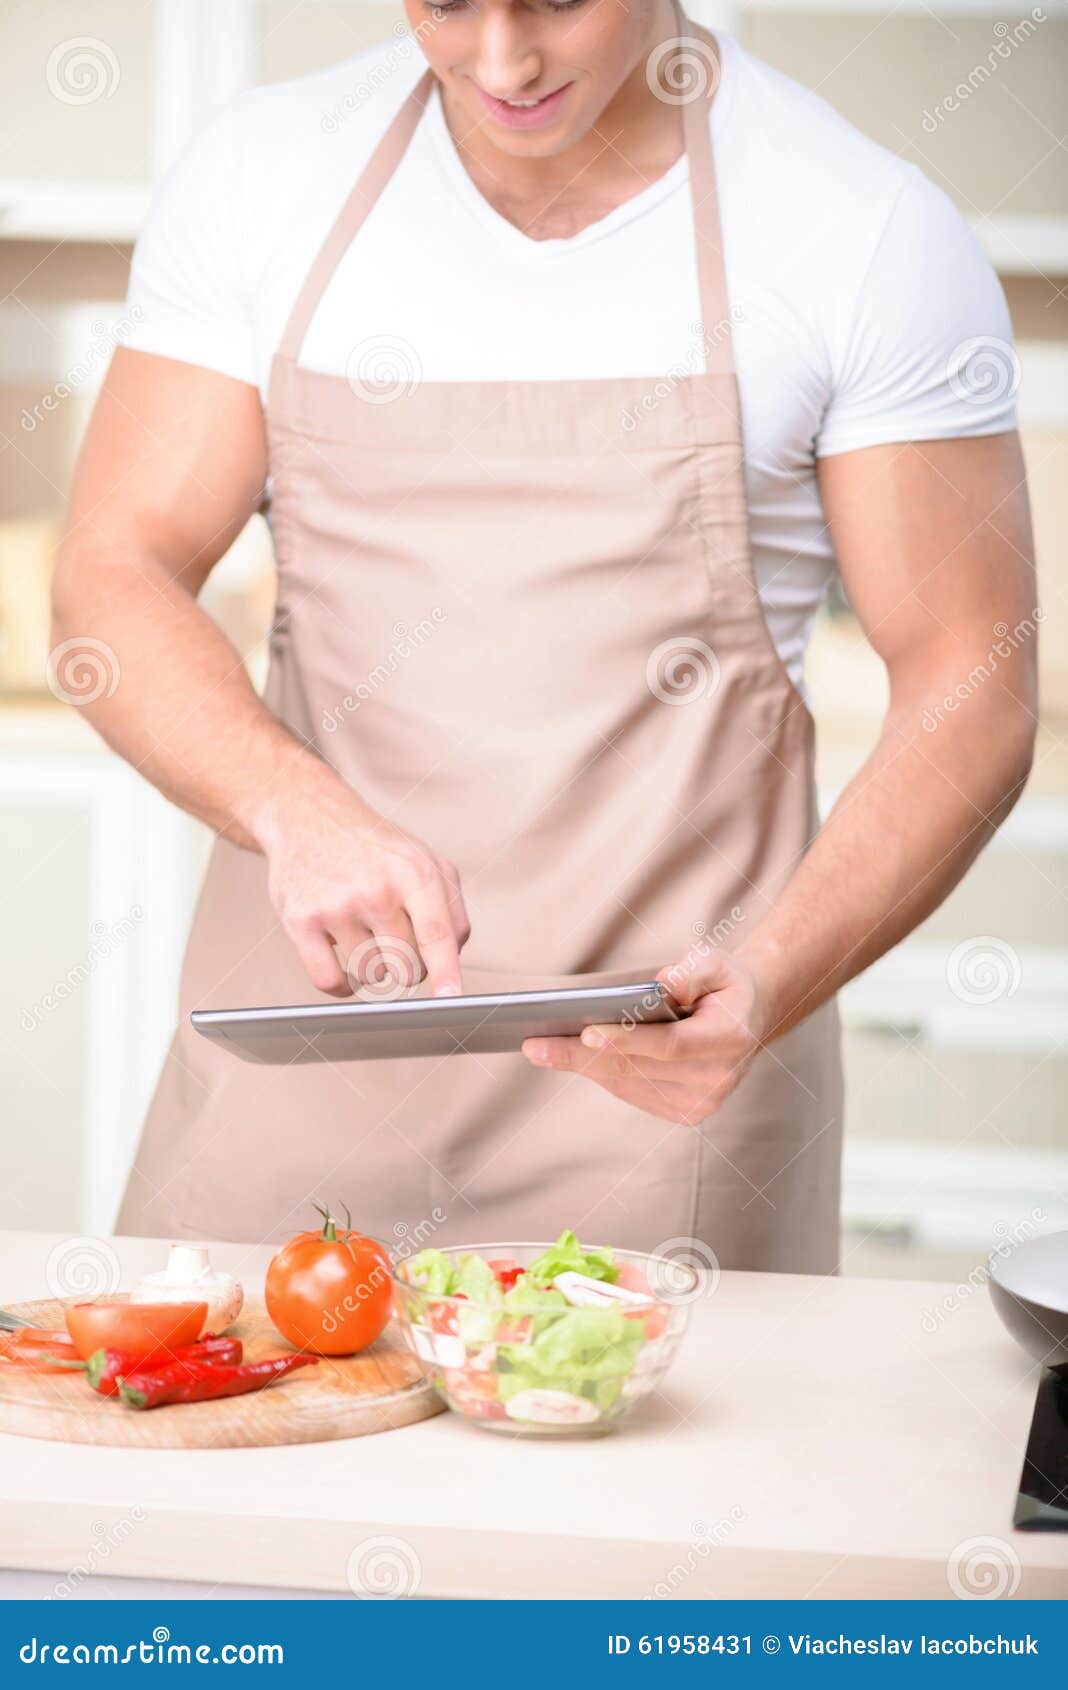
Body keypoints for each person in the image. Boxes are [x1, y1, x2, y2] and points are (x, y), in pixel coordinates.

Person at [52, 0, 1036, 1267]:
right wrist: (296, 808)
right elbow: (113, 573)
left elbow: (975, 677)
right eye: (449, 4)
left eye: (559, 0)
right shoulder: (264, 173)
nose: (503, 62)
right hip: (303, 1064)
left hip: (663, 1098)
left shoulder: (864, 229)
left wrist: (773, 979)